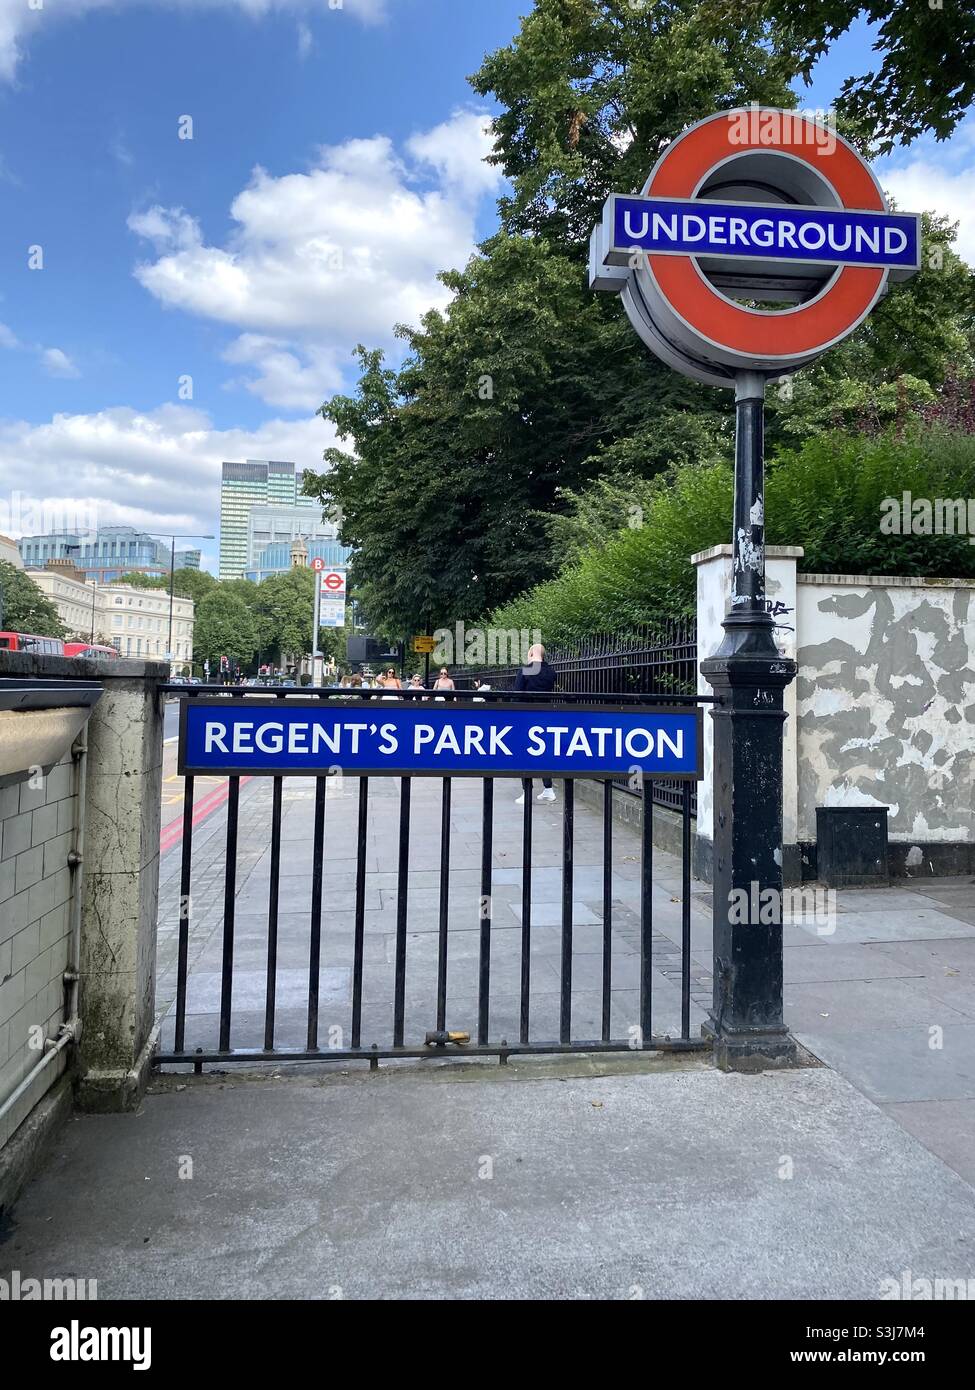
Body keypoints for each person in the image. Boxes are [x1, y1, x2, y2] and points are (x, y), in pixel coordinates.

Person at [514, 643, 557, 804]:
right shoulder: (551, 673)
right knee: (544, 753)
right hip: (546, 718)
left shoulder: (525, 671)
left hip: (526, 719)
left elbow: (517, 696)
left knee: (525, 755)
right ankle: (548, 789)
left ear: (531, 653)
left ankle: (527, 792)